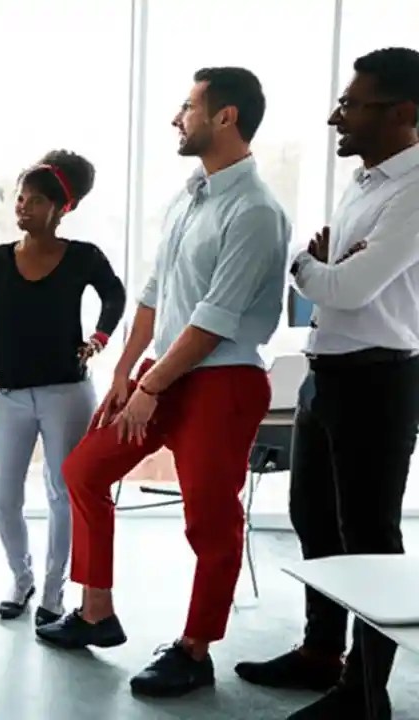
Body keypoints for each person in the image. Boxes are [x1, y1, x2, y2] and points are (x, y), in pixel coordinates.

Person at [35, 67, 290, 698]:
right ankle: (96, 613)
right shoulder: (189, 196)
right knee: (84, 471)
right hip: (164, 374)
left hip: (222, 382)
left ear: (225, 117)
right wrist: (126, 372)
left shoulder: (256, 210)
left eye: (188, 106)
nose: (178, 118)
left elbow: (215, 319)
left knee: (210, 519)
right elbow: (154, 292)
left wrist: (153, 385)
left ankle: (195, 651)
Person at [235, 46, 419, 720]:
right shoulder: (367, 182)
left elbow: (347, 285)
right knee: (314, 520)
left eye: (352, 103)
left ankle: (364, 695)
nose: (335, 115)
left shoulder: (415, 189)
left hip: (379, 381)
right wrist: (326, 272)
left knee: (368, 539)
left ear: (402, 112)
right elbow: (337, 283)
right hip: (329, 373)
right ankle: (321, 654)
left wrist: (304, 265)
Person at [0, 150, 126, 627]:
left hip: (66, 393)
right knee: (4, 496)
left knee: (62, 494)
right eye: (20, 198)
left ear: (62, 209)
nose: (23, 208)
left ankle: (53, 593)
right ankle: (20, 579)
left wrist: (99, 339)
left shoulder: (82, 255)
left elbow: (115, 294)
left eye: (36, 200)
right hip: (12, 394)